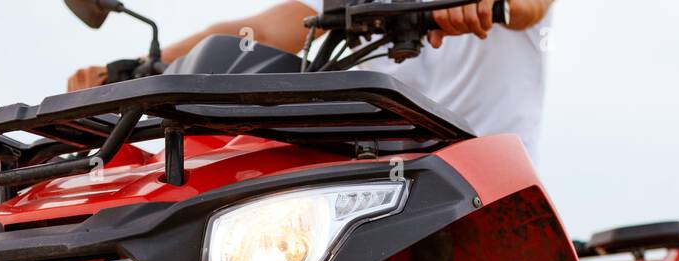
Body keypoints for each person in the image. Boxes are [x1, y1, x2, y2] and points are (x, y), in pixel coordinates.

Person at [68, 1, 556, 161]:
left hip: (483, 176)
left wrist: (485, 5)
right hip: (370, 164)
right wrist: (137, 67)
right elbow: (269, 28)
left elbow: (530, 6)